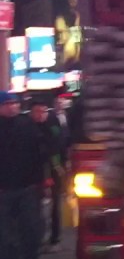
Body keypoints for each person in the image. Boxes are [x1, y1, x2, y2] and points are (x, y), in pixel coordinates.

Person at [0, 93, 47, 259]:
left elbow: (40, 153)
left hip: (28, 187)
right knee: (4, 236)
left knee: (31, 231)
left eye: (14, 103)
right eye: (8, 104)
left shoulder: (27, 125)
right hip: (4, 190)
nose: (12, 107)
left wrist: (41, 182)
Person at [31, 98, 68, 251]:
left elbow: (59, 145)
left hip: (53, 170)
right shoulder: (29, 127)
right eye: (37, 112)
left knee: (54, 205)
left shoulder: (53, 124)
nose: (40, 115)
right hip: (35, 172)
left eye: (43, 111)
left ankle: (54, 238)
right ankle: (38, 238)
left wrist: (59, 166)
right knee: (36, 206)